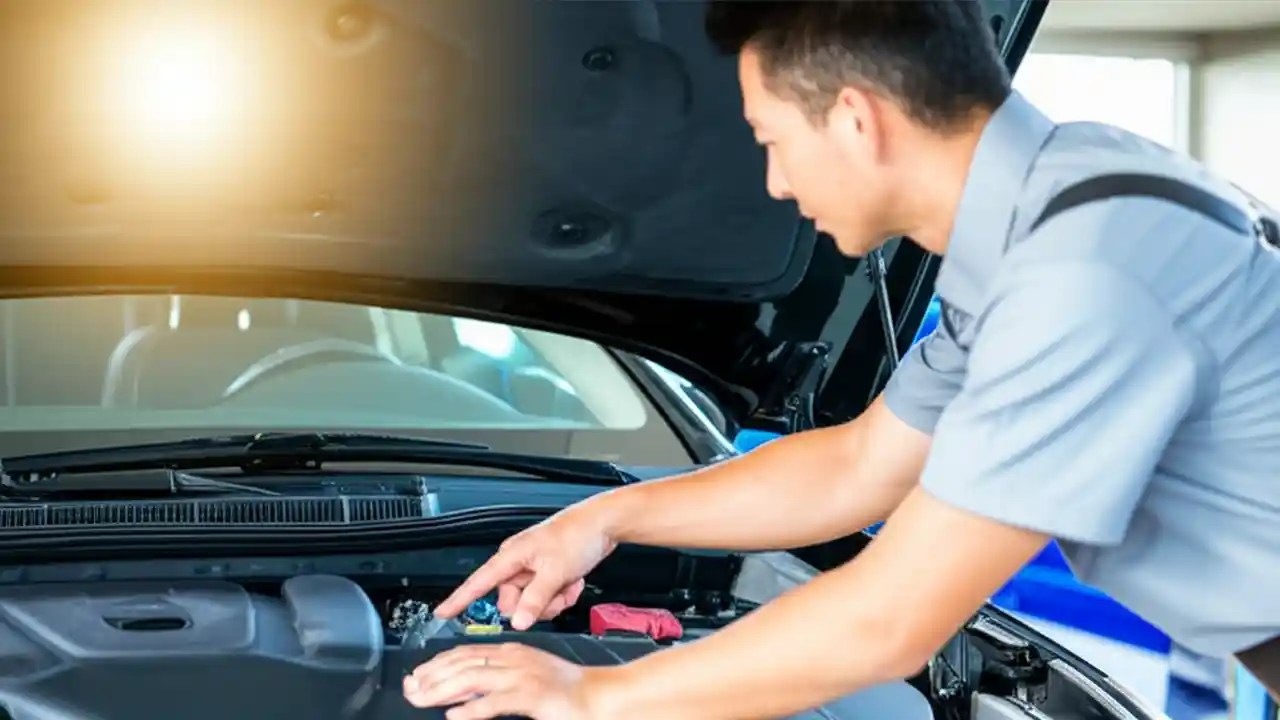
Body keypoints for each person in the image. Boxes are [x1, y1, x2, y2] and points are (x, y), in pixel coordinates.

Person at [402, 2, 1280, 718]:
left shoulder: (1085, 269)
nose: (776, 184)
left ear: (856, 118)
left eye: (773, 140)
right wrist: (603, 518)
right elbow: (861, 464)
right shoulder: (1051, 209)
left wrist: (595, 695)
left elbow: (893, 619)